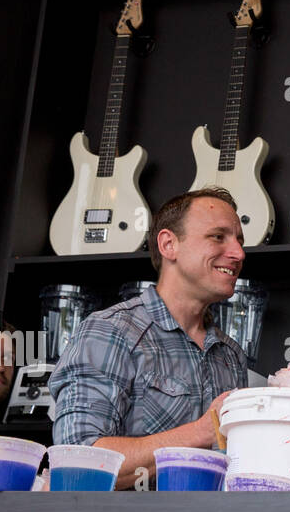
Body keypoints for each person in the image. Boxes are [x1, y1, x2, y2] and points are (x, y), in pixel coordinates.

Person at [49, 188, 248, 487]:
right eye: (218, 237)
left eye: (239, 240)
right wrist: (201, 432)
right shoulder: (111, 331)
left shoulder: (230, 354)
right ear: (169, 244)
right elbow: (78, 465)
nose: (238, 253)